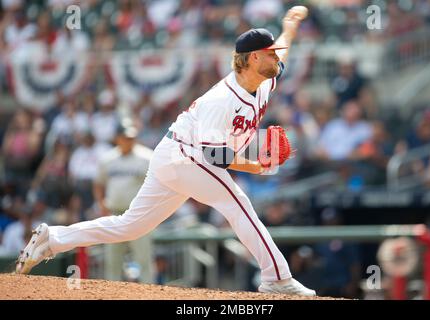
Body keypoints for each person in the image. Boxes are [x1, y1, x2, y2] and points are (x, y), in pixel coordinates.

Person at [16, 7, 316, 296]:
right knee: (238, 205)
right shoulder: (221, 99)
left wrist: (290, 26)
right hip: (186, 156)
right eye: (269, 53)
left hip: (174, 158)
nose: (276, 57)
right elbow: (216, 157)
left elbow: (284, 51)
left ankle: (52, 238)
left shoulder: (265, 80)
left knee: (131, 226)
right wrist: (257, 166)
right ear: (252, 59)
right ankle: (277, 277)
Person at [93, 124, 154, 283]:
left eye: (132, 138)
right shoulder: (108, 159)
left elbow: (156, 185)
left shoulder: (146, 157)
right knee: (112, 261)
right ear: (117, 139)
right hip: (115, 213)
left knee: (144, 260)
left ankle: (149, 295)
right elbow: (98, 183)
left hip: (138, 215)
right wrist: (101, 203)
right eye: (126, 137)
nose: (129, 141)